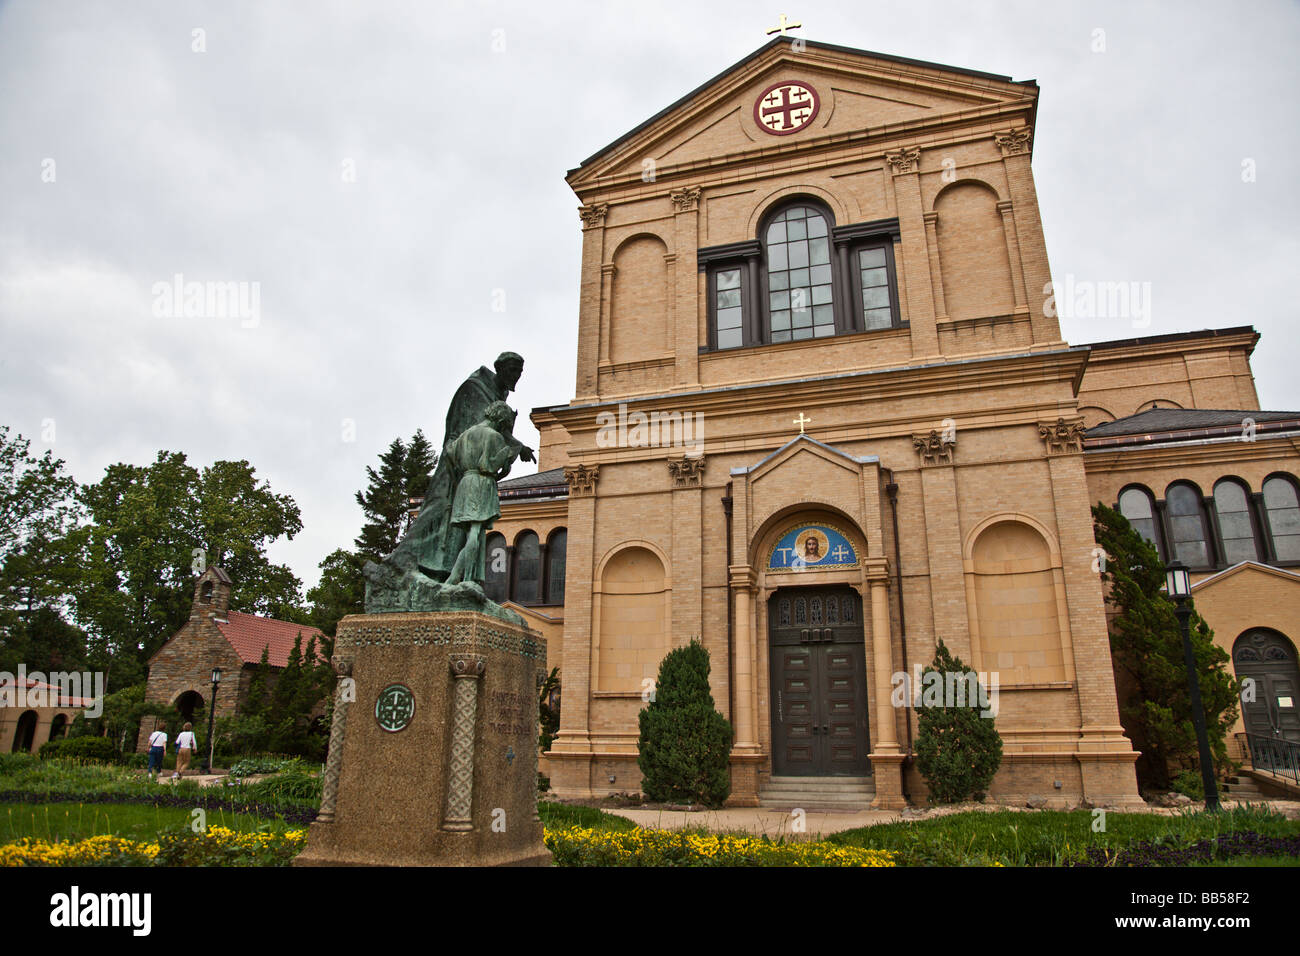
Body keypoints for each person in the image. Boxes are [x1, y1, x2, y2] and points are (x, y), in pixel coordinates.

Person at [444, 401, 523, 586]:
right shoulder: (493, 436)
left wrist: (458, 479)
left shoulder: (466, 434)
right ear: (502, 418)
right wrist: (507, 457)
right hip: (482, 482)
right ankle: (466, 578)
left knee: (472, 533)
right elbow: (494, 466)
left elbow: (449, 454)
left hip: (465, 482)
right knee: (475, 531)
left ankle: (455, 576)